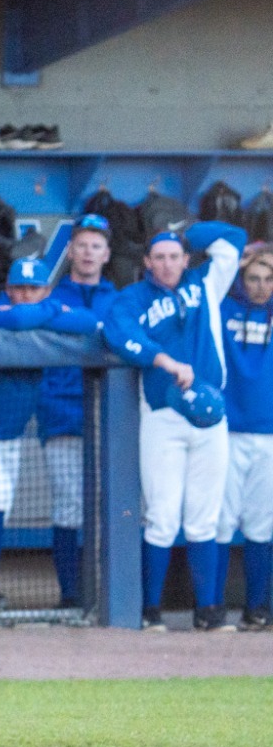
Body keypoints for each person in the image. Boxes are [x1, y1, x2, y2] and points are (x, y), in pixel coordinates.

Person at [104, 221, 247, 630]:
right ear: (147, 262)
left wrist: (185, 233)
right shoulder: (134, 297)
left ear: (186, 259)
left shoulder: (206, 283)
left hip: (210, 416)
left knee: (204, 517)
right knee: (163, 516)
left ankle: (208, 610)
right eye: (159, 257)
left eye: (174, 257)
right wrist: (163, 359)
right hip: (163, 414)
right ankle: (150, 610)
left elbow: (232, 241)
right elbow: (118, 333)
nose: (167, 264)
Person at [0, 258, 100, 612]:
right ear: (8, 289)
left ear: (46, 290)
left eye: (34, 288)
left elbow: (89, 322)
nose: (26, 295)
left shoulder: (43, 308)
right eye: (19, 288)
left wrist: (44, 311)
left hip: (12, 430)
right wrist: (52, 311)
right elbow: (17, 320)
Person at [38, 214, 118, 607]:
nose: (88, 253)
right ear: (70, 251)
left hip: (112, 418)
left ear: (107, 254)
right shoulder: (49, 299)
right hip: (63, 412)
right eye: (82, 245)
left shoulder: (119, 300)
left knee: (110, 506)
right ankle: (71, 596)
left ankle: (105, 593)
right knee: (69, 505)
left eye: (96, 246)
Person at [220, 242, 273, 629]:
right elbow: (206, 282)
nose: (261, 286)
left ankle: (256, 609)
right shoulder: (223, 308)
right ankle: (212, 608)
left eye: (269, 279)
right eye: (253, 278)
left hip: (268, 435)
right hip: (226, 433)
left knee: (261, 524)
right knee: (220, 522)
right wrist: (240, 259)